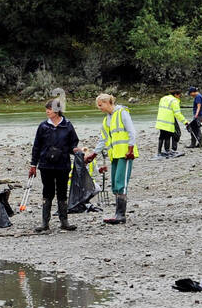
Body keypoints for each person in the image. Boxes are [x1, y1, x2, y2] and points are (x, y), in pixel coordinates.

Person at [29, 98, 81, 233]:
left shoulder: (67, 125)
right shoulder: (43, 126)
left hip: (63, 164)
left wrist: (76, 150)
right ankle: (44, 222)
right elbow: (36, 146)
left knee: (62, 192)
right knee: (47, 192)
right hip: (46, 165)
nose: (47, 111)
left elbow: (73, 143)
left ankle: (64, 222)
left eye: (50, 109)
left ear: (57, 111)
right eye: (47, 109)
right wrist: (33, 164)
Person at [84, 94, 137, 225]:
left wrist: (130, 149)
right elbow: (104, 139)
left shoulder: (122, 113)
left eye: (100, 105)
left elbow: (131, 132)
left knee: (121, 182)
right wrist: (94, 154)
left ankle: (120, 215)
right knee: (115, 184)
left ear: (108, 102)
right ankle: (118, 214)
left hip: (125, 154)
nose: (99, 108)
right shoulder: (106, 120)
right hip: (114, 155)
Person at [155, 88, 186, 157]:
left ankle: (159, 152)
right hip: (168, 121)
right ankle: (168, 151)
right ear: (175, 95)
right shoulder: (174, 101)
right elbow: (177, 114)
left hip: (160, 120)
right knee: (168, 136)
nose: (179, 97)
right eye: (179, 95)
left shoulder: (163, 98)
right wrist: (186, 122)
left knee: (161, 136)